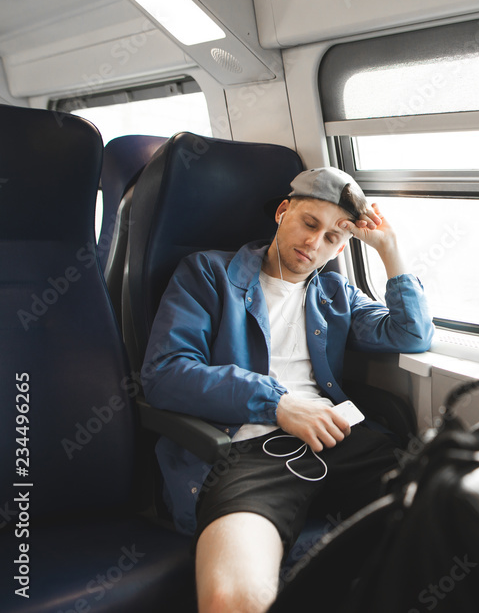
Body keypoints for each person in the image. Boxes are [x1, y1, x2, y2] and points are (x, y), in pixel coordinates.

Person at [141, 167, 434, 612]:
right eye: (309, 223)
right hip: (248, 450)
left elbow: (410, 334)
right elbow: (165, 373)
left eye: (334, 238)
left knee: (452, 524)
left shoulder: (335, 291)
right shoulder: (207, 273)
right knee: (233, 598)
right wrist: (277, 402)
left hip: (340, 437)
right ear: (283, 212)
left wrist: (390, 252)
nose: (315, 244)